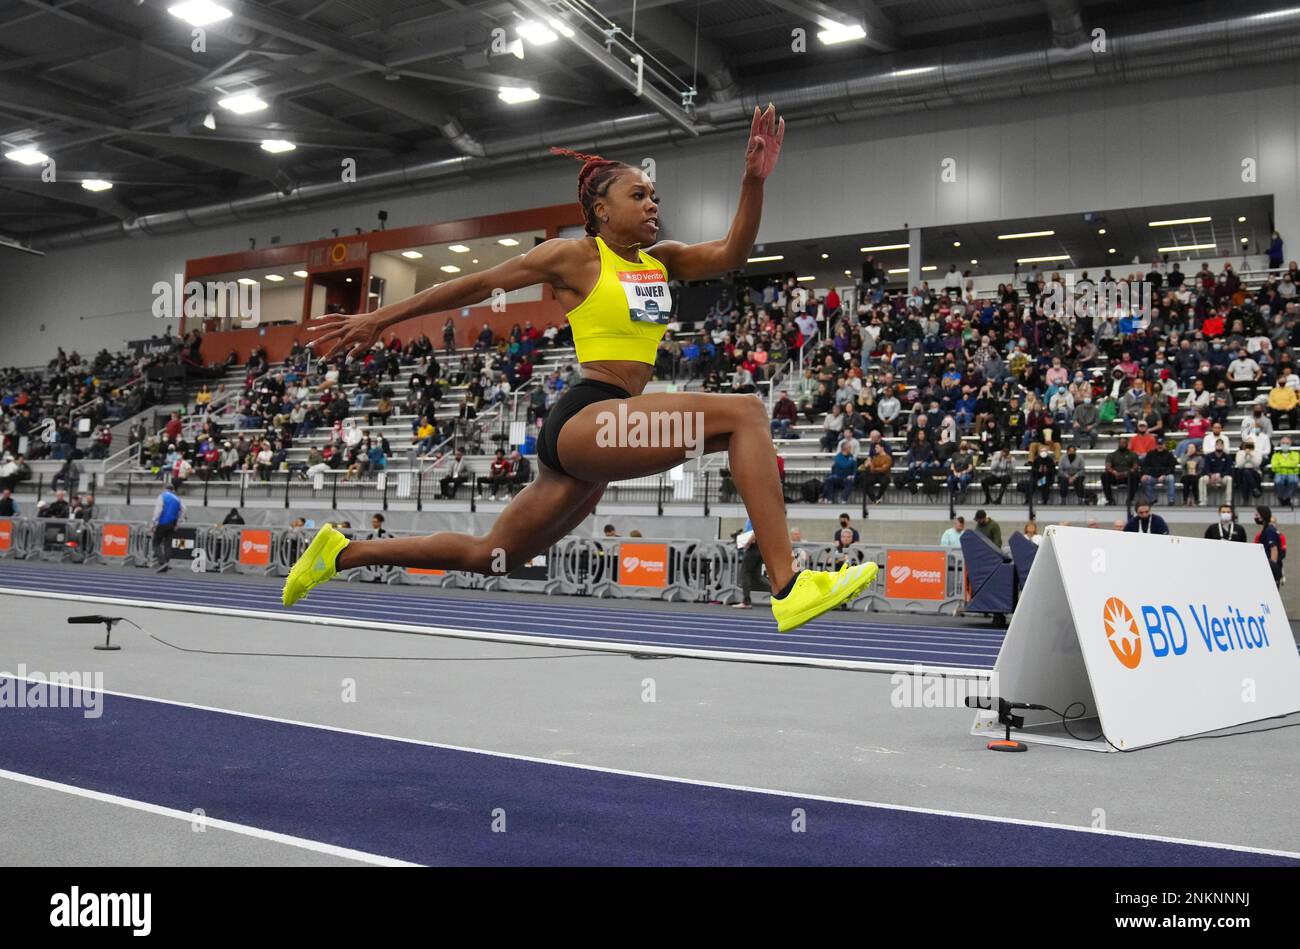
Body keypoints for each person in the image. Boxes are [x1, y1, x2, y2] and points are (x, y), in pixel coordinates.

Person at [286, 108, 878, 632]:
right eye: (639, 196)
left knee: (494, 554)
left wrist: (753, 180)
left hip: (597, 439)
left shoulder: (660, 261)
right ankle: (789, 587)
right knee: (746, 412)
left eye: (655, 198)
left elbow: (732, 254)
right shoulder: (575, 256)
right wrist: (381, 319)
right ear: (601, 208)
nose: (653, 206)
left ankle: (342, 553)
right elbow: (477, 282)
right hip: (589, 414)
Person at [150, 482, 185, 572]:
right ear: (172, 489)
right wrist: (178, 523)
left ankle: (163, 562)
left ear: (164, 488)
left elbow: (158, 511)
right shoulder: (177, 499)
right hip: (172, 523)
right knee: (168, 544)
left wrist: (153, 523)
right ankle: (166, 563)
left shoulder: (162, 496)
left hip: (163, 522)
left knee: (156, 543)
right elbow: (183, 510)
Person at [1255, 505, 1283, 586]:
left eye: (1257, 515)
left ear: (1263, 515)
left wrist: (1271, 568)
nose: (1255, 517)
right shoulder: (1265, 530)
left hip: (1271, 569)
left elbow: (1274, 549)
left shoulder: (1269, 530)